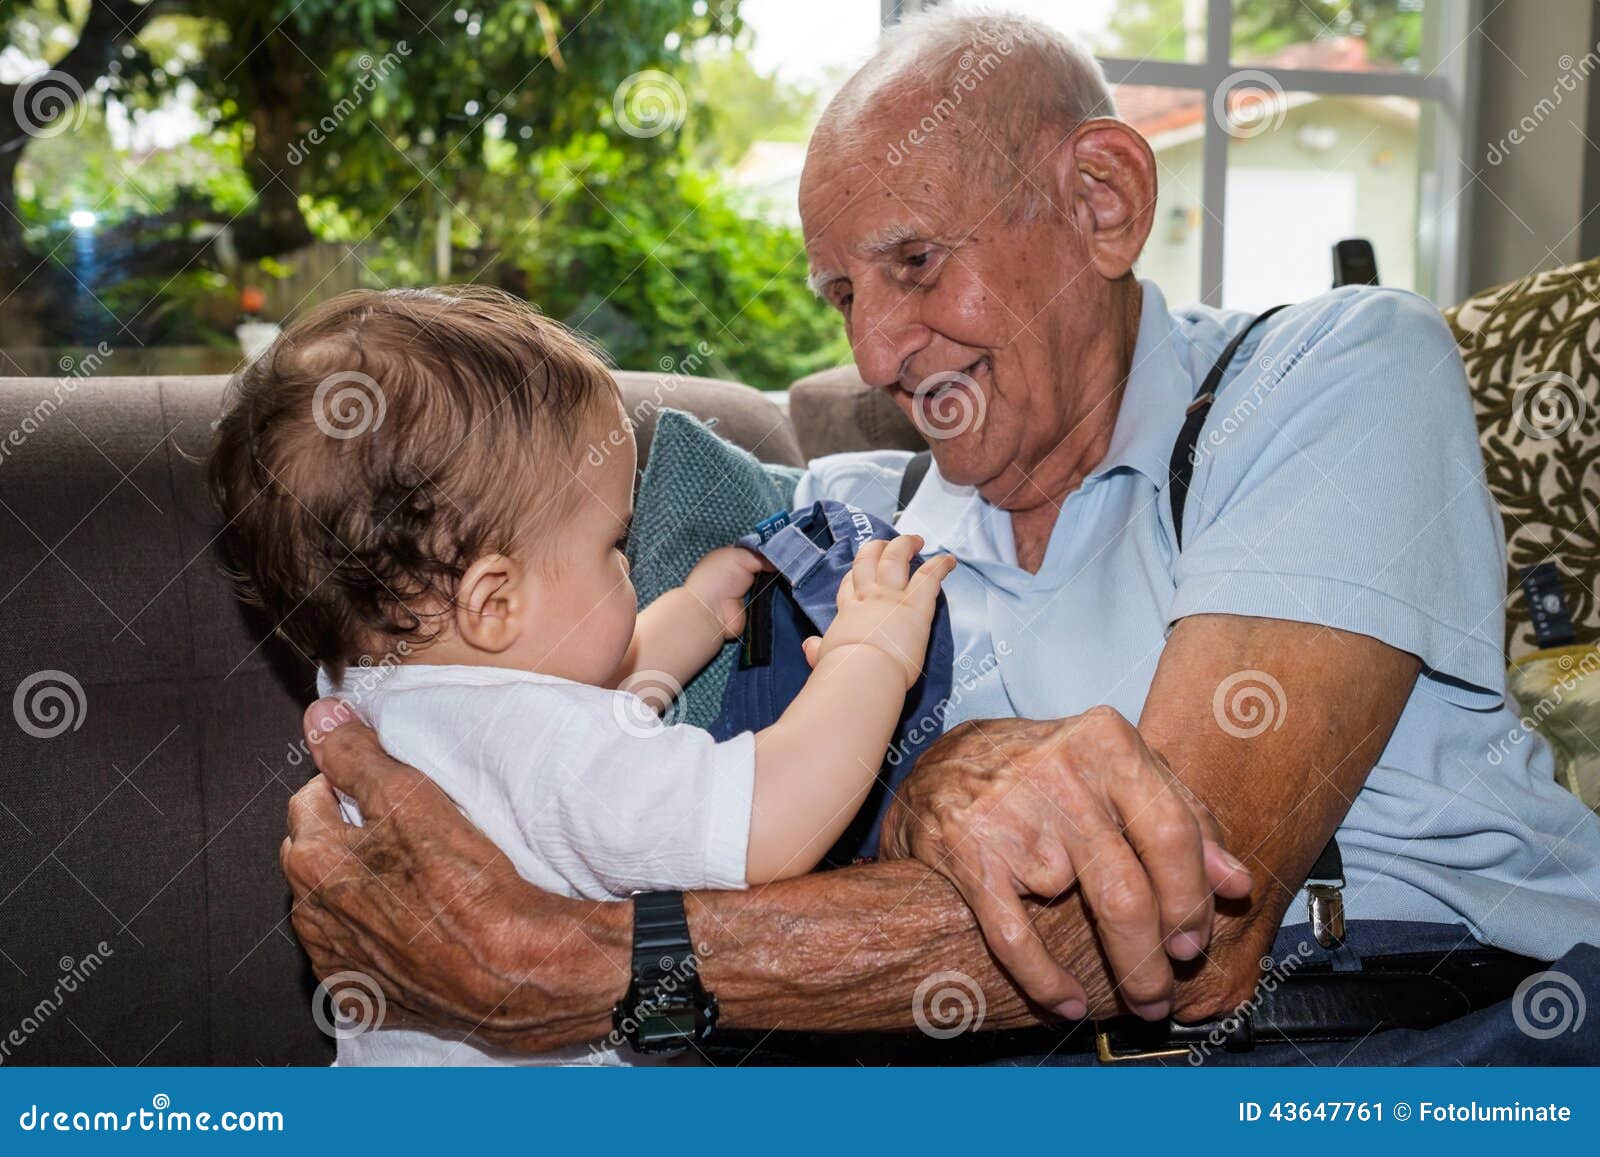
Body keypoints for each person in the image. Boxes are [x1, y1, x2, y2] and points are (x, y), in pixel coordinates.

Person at [281, 9, 1600, 1063]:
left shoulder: (1328, 373)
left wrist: (572, 961)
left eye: (913, 265)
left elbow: (1175, 928)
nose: (874, 348)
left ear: (1102, 200)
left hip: (1421, 1034)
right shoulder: (841, 527)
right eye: (844, 293)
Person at [208, 287, 957, 1064]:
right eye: (614, 543)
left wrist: (699, 609)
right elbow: (774, 818)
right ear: (493, 601)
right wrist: (871, 650)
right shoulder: (555, 748)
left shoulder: (374, 697)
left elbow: (575, 682)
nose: (629, 564)